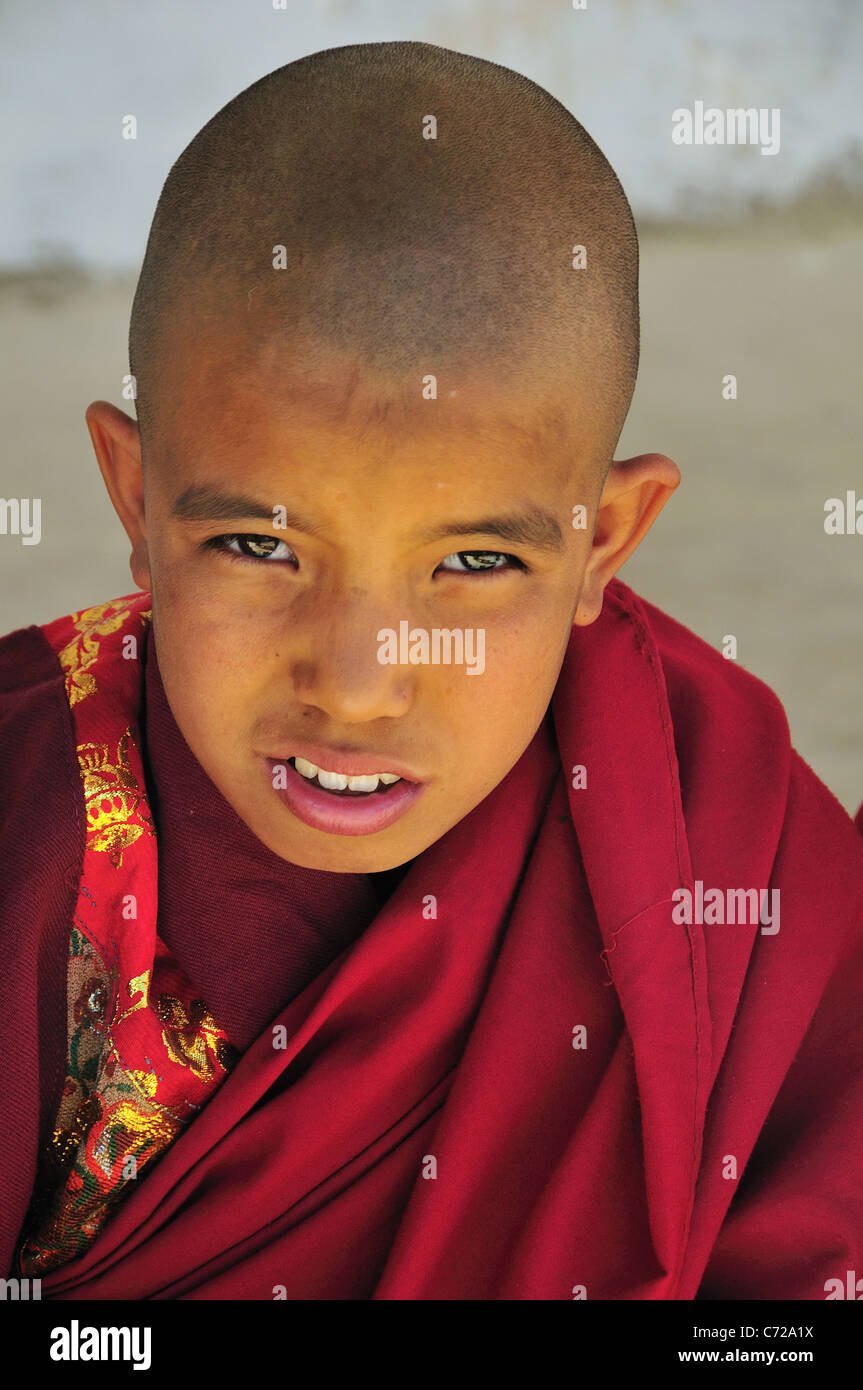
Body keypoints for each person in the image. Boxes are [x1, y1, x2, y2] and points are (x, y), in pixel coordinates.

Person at [2, 40, 862, 1301]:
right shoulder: (29, 822)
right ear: (134, 494)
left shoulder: (715, 835)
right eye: (257, 544)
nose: (354, 684)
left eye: (470, 562)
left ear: (602, 540)